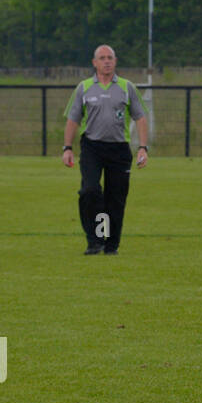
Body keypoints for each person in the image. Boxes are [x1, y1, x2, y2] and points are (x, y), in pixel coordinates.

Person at [62, 45, 148, 255]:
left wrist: (143, 148)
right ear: (95, 62)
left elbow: (140, 117)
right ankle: (94, 240)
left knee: (115, 198)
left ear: (115, 61)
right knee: (90, 191)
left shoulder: (127, 88)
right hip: (92, 147)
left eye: (110, 57)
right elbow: (73, 119)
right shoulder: (84, 88)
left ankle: (111, 245)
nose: (106, 61)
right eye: (102, 58)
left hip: (118, 149)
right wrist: (67, 148)